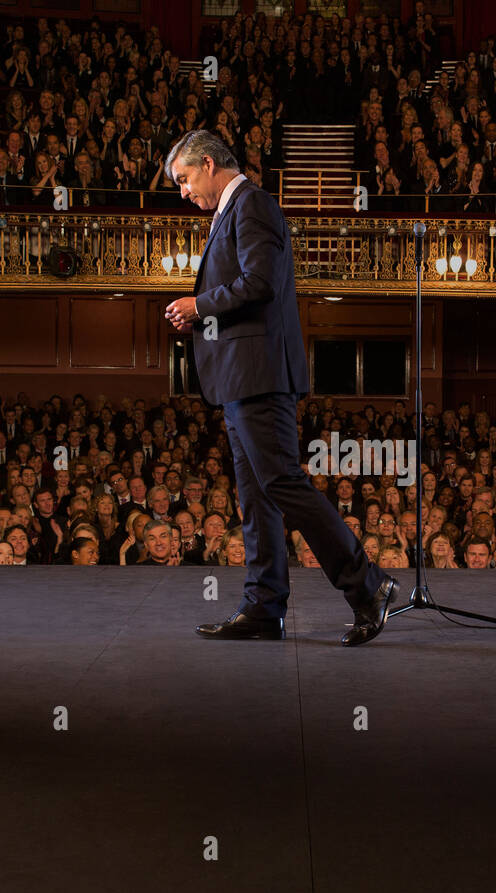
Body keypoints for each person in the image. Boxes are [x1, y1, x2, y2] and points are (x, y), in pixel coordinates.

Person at [163, 130, 396, 646]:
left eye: (183, 179)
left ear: (207, 163)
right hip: (237, 377)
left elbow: (260, 282)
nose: (182, 192)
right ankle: (264, 607)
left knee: (284, 485)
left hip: (258, 376)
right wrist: (202, 318)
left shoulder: (253, 204)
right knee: (258, 496)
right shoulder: (231, 211)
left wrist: (198, 305)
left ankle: (369, 588)